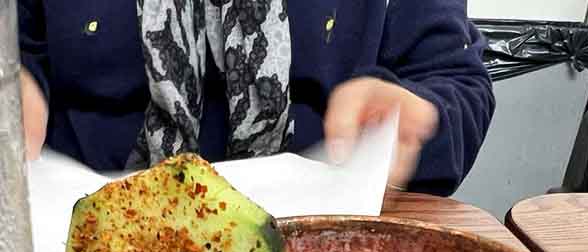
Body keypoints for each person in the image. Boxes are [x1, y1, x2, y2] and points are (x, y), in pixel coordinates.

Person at [19, 1, 494, 195]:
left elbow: (455, 80)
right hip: (81, 240)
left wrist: (411, 121)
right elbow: (20, 49)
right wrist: (17, 82)